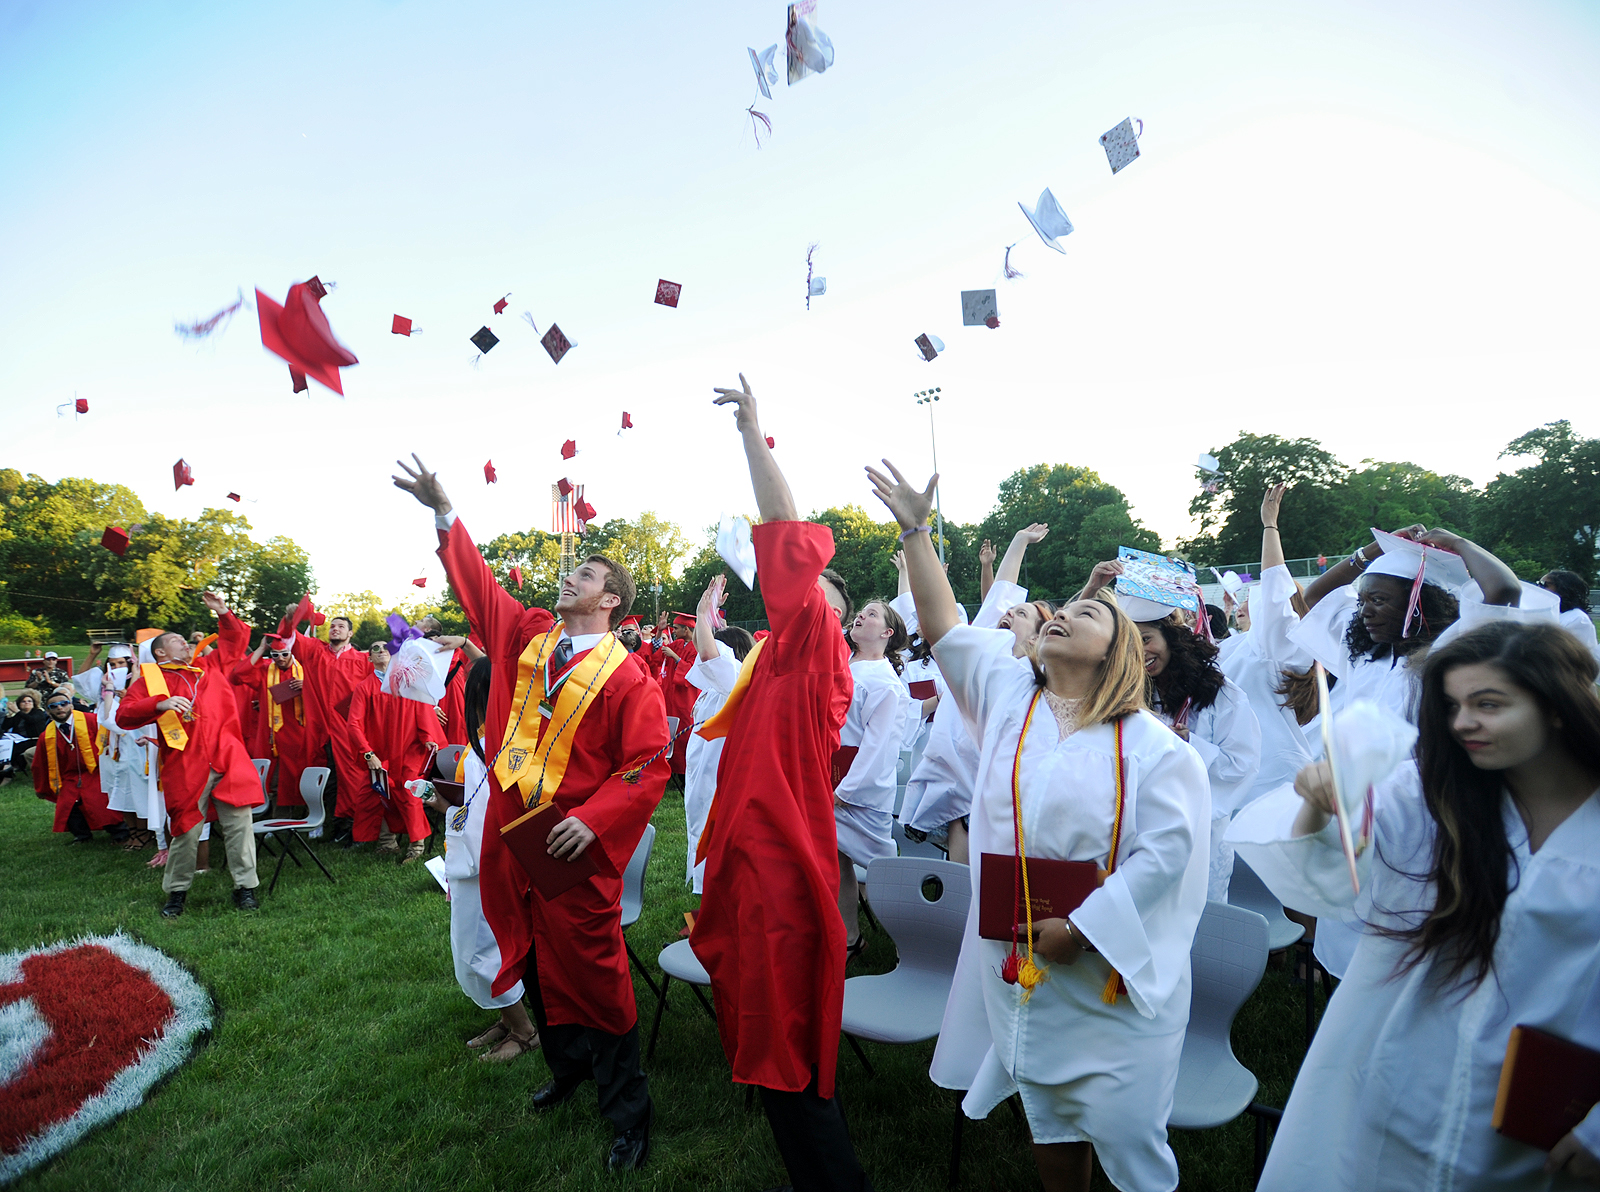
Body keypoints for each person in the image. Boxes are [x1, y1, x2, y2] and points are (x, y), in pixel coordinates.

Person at [873, 457, 1210, 1192]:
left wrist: (1083, 929)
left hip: (1109, 966)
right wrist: (917, 532)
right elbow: (942, 625)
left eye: (1086, 613)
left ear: (1119, 651)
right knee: (1048, 1108)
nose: (1061, 613)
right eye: (1061, 609)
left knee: (1126, 1130)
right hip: (1019, 952)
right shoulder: (1004, 695)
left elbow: (1167, 857)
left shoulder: (1155, 748)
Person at [1230, 621, 1600, 1189]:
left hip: (1538, 1108)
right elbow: (1324, 870)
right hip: (1398, 1068)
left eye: (1489, 703)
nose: (1463, 722)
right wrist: (1322, 801)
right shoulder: (1432, 795)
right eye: (1452, 705)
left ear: (1556, 705)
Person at [394, 453, 668, 1173]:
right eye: (572, 575)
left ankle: (628, 1115)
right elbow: (480, 587)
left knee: (599, 978)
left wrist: (602, 817)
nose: (569, 579)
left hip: (575, 847)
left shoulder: (628, 676)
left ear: (610, 601)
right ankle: (567, 1069)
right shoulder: (532, 638)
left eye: (586, 576)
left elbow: (645, 765)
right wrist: (445, 514)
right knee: (537, 963)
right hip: (512, 835)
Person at [689, 374, 871, 1192]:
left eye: (811, 589)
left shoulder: (815, 645)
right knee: (768, 1051)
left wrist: (752, 435)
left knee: (789, 1056)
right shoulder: (772, 664)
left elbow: (787, 530)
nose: (785, 590)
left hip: (780, 869)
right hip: (748, 861)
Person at [1082, 558, 1261, 904]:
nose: (1141, 652)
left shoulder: (1218, 694)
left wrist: (1189, 746)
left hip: (1197, 838)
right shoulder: (1127, 694)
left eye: (1147, 638)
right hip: (1133, 840)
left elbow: (1242, 764)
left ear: (1171, 636)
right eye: (1131, 645)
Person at [898, 525, 1051, 863]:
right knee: (967, 886)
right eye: (1012, 610)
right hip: (961, 787)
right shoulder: (980, 650)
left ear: (1039, 639)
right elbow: (1002, 594)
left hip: (1012, 797)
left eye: (1022, 613)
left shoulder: (1042, 681)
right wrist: (1019, 540)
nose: (1009, 612)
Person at [423, 656, 541, 1062]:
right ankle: (509, 1018)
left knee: (483, 952)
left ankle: (525, 1030)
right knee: (472, 947)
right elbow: (475, 810)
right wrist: (443, 803)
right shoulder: (484, 741)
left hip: (493, 866)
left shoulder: (512, 746)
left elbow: (501, 815)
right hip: (474, 863)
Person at [118, 592, 263, 917]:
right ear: (159, 652)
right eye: (178, 641)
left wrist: (223, 612)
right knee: (185, 830)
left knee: (240, 826)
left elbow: (235, 641)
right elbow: (123, 716)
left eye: (185, 640)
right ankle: (177, 894)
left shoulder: (210, 666)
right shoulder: (150, 682)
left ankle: (246, 888)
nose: (186, 644)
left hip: (228, 758)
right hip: (186, 765)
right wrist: (159, 703)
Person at [834, 598, 911, 958]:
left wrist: (845, 791)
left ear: (886, 632)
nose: (861, 615)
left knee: (882, 869)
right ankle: (849, 937)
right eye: (860, 611)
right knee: (835, 859)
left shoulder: (885, 683)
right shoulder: (843, 665)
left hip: (858, 792)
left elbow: (879, 746)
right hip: (828, 777)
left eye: (872, 613)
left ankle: (917, 939)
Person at [681, 575, 752, 896]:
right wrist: (710, 612)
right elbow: (707, 646)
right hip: (702, 769)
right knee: (698, 823)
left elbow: (709, 651)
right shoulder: (718, 684)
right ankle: (703, 892)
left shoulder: (733, 677)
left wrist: (701, 613)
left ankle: (711, 896)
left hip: (717, 774)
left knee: (712, 829)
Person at [347, 641, 439, 862]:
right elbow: (353, 724)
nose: (381, 650)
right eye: (375, 648)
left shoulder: (408, 682)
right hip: (380, 752)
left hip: (408, 749)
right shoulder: (365, 687)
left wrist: (428, 736)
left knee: (409, 792)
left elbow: (422, 709)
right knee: (382, 793)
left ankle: (416, 846)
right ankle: (388, 842)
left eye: (385, 647)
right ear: (369, 658)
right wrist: (368, 753)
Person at [73, 643, 160, 849]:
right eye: (112, 663)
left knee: (138, 790)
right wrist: (92, 653)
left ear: (131, 664)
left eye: (121, 663)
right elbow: (82, 680)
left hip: (137, 746)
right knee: (119, 790)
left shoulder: (143, 682)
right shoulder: (105, 685)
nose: (117, 667)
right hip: (112, 748)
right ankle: (133, 832)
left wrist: (129, 692)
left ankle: (145, 834)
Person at [34, 685, 128, 843]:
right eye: (53, 706)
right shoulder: (46, 736)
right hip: (70, 777)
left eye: (63, 704)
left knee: (100, 804)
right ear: (48, 711)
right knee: (68, 805)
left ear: (71, 704)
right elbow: (40, 764)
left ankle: (120, 833)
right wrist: (41, 787)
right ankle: (82, 835)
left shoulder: (91, 721)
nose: (59, 708)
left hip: (97, 772)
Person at [234, 633, 311, 811]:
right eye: (275, 655)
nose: (280, 659)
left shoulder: (305, 671)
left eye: (284, 654)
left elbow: (323, 695)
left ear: (292, 652)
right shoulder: (264, 670)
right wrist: (261, 649)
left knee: (299, 775)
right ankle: (276, 818)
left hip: (297, 733)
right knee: (272, 778)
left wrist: (306, 686)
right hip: (270, 734)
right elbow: (238, 675)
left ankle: (308, 814)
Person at [1540, 568, 1600, 659]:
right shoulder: (1546, 614)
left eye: (1544, 585)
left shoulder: (1578, 619)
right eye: (1538, 584)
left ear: (1563, 589)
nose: (1538, 588)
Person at [2, 692, 49, 778]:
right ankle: (7, 766)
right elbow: (5, 726)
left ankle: (10, 768)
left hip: (35, 739)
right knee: (5, 745)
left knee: (15, 748)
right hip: (19, 740)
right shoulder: (18, 715)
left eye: (29, 701)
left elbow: (32, 720)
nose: (27, 703)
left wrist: (17, 711)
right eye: (23, 701)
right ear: (19, 704)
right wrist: (9, 715)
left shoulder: (38, 712)